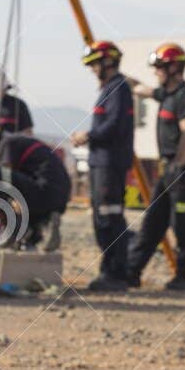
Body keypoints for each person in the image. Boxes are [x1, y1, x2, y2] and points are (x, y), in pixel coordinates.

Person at [126, 42, 185, 292]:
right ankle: (131, 272)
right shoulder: (166, 95)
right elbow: (142, 89)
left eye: (159, 67)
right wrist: (120, 77)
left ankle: (184, 277)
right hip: (169, 169)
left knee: (183, 225)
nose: (156, 72)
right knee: (153, 222)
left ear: (173, 67)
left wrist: (179, 165)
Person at [71, 40, 134, 292]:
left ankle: (115, 274)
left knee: (109, 218)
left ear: (108, 61)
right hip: (101, 163)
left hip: (110, 164)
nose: (92, 69)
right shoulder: (109, 88)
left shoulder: (118, 88)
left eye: (95, 64)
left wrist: (88, 136)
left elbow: (114, 125)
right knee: (102, 219)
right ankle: (111, 271)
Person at [0, 130, 72, 247]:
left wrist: (11, 198)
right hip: (60, 196)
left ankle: (12, 231)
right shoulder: (30, 144)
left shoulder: (7, 143)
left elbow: (5, 174)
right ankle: (43, 224)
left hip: (42, 191)